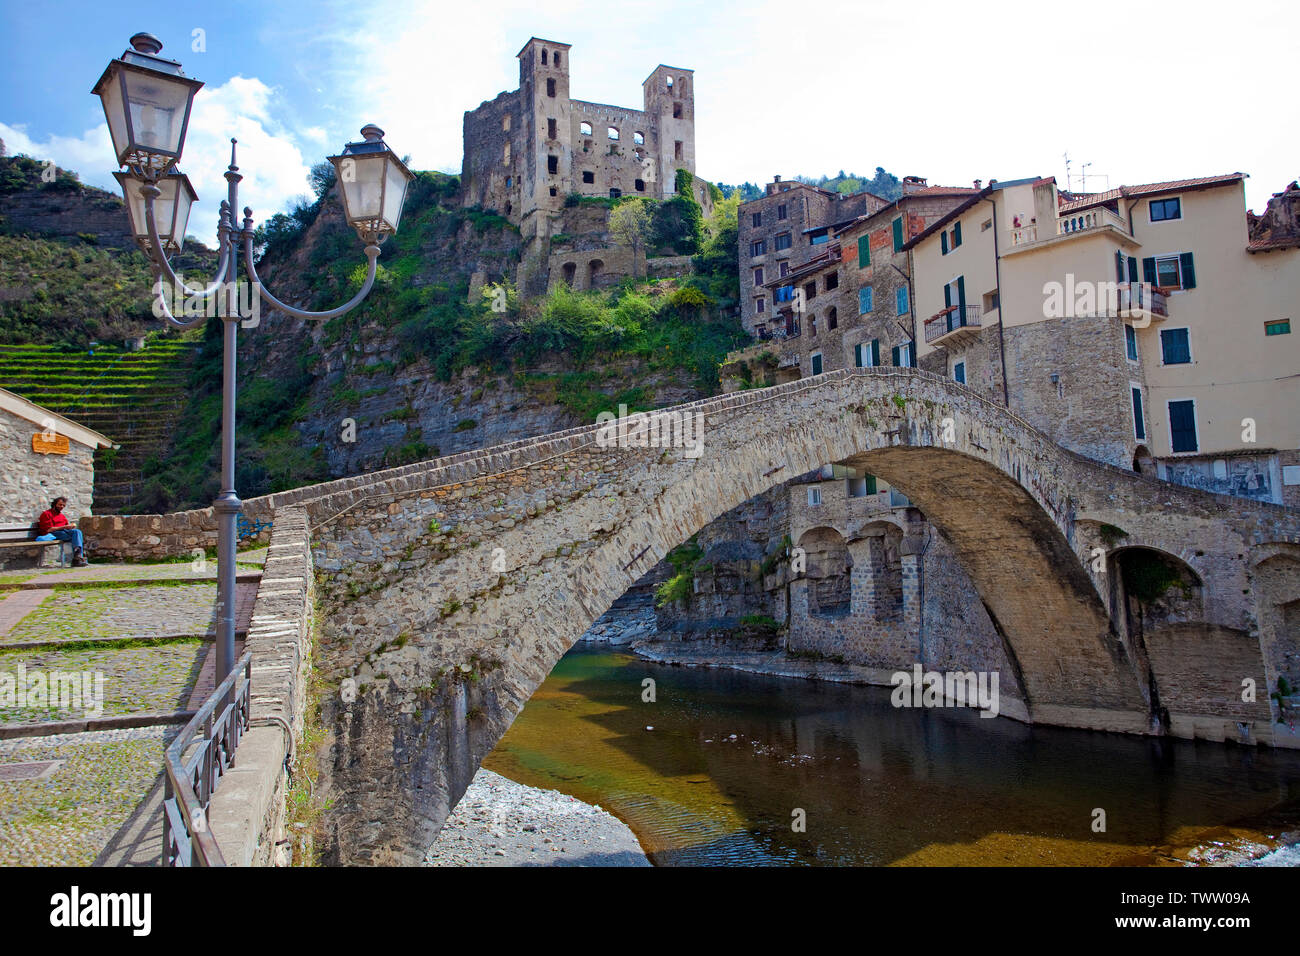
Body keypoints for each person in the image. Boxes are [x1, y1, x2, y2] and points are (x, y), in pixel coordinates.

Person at [35, 497, 87, 567]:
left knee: (77, 531)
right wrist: (64, 527)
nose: (62, 507)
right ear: (54, 504)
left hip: (63, 533)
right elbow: (49, 530)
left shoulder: (61, 516)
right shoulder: (46, 514)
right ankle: (77, 558)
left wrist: (70, 527)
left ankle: (77, 555)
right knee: (75, 536)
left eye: (63, 505)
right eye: (60, 505)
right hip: (52, 534)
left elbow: (66, 527)